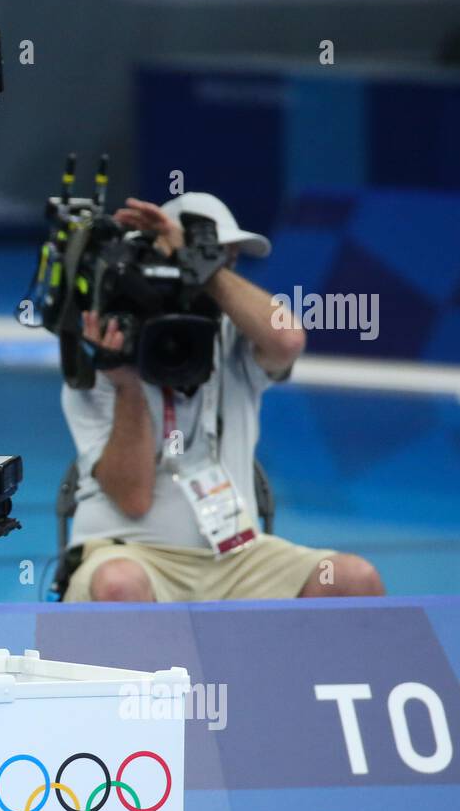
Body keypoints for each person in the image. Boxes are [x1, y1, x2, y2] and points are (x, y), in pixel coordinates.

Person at [61, 192, 383, 604]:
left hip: (239, 558)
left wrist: (203, 268)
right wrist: (127, 384)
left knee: (355, 579)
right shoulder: (101, 353)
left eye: (227, 262)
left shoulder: (235, 339)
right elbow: (133, 498)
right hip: (133, 555)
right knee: (119, 585)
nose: (222, 271)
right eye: (213, 259)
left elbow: (287, 338)